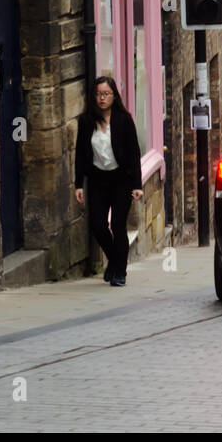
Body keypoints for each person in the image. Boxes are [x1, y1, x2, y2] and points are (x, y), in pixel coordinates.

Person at [74, 76, 143, 287]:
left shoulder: (124, 119)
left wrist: (137, 185)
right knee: (97, 225)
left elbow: (133, 152)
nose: (102, 98)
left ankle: (119, 272)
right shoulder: (86, 121)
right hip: (97, 179)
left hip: (121, 179)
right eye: (98, 94)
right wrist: (78, 183)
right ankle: (115, 260)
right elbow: (80, 154)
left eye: (106, 94)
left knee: (118, 225)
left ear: (114, 96)